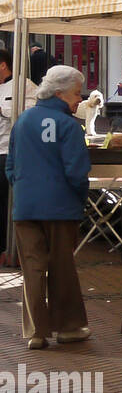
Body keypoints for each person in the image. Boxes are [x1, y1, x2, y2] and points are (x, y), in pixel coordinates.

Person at [6, 65, 91, 349]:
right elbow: (76, 172)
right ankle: (67, 328)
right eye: (76, 94)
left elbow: (10, 165)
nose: (80, 99)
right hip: (61, 206)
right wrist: (80, 198)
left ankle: (35, 332)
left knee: (32, 268)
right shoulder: (69, 125)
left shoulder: (24, 120)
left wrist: (23, 188)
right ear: (59, 93)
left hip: (26, 206)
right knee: (62, 267)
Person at [0, 48, 39, 256]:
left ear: (3, 65)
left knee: (5, 202)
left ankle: (8, 248)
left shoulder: (24, 85)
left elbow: (30, 110)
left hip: (9, 151)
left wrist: (3, 110)